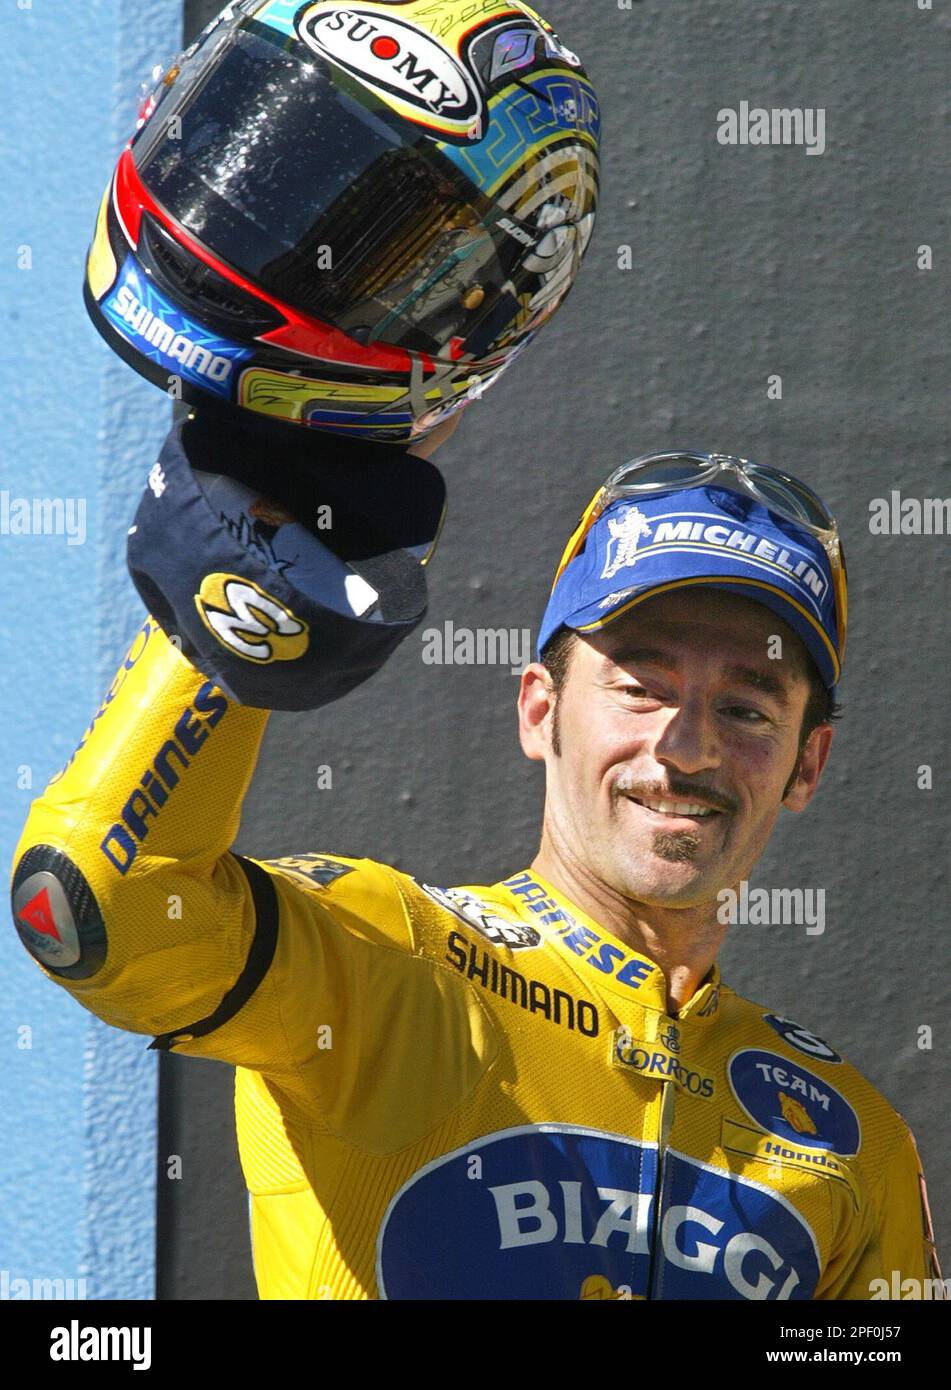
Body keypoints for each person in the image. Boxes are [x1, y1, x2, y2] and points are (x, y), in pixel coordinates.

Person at [10, 443, 944, 1301]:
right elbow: (96, 907)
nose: (686, 748)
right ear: (539, 712)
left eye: (745, 707)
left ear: (806, 765)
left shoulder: (848, 1144)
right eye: (641, 687)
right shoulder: (393, 961)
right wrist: (234, 619)